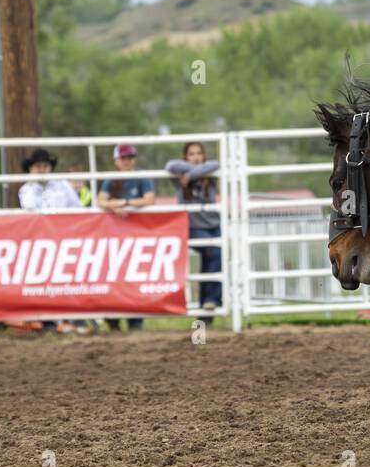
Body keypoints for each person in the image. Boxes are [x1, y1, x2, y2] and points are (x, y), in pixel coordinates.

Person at [18, 147, 88, 335]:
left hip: (64, 239)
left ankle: (72, 318)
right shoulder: (26, 189)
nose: (42, 169)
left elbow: (78, 208)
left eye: (45, 166)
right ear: (31, 169)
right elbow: (31, 211)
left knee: (69, 278)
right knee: (43, 279)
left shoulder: (63, 185)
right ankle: (48, 319)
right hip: (41, 242)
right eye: (38, 166)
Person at [97, 143, 155, 331]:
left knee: (134, 277)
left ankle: (134, 320)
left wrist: (123, 203)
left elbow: (149, 199)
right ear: (116, 161)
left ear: (134, 159)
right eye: (123, 158)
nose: (127, 161)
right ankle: (113, 319)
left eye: (129, 158)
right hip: (115, 237)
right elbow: (101, 200)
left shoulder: (141, 177)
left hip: (135, 237)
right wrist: (114, 206)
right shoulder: (111, 180)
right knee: (114, 275)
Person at [166, 142, 223, 314]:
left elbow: (216, 164)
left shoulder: (210, 174)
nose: (196, 157)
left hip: (213, 224)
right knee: (214, 253)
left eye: (199, 153)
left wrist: (191, 175)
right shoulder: (179, 177)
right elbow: (170, 165)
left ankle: (206, 311)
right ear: (185, 157)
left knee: (212, 260)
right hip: (192, 225)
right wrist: (192, 172)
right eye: (191, 154)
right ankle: (210, 300)